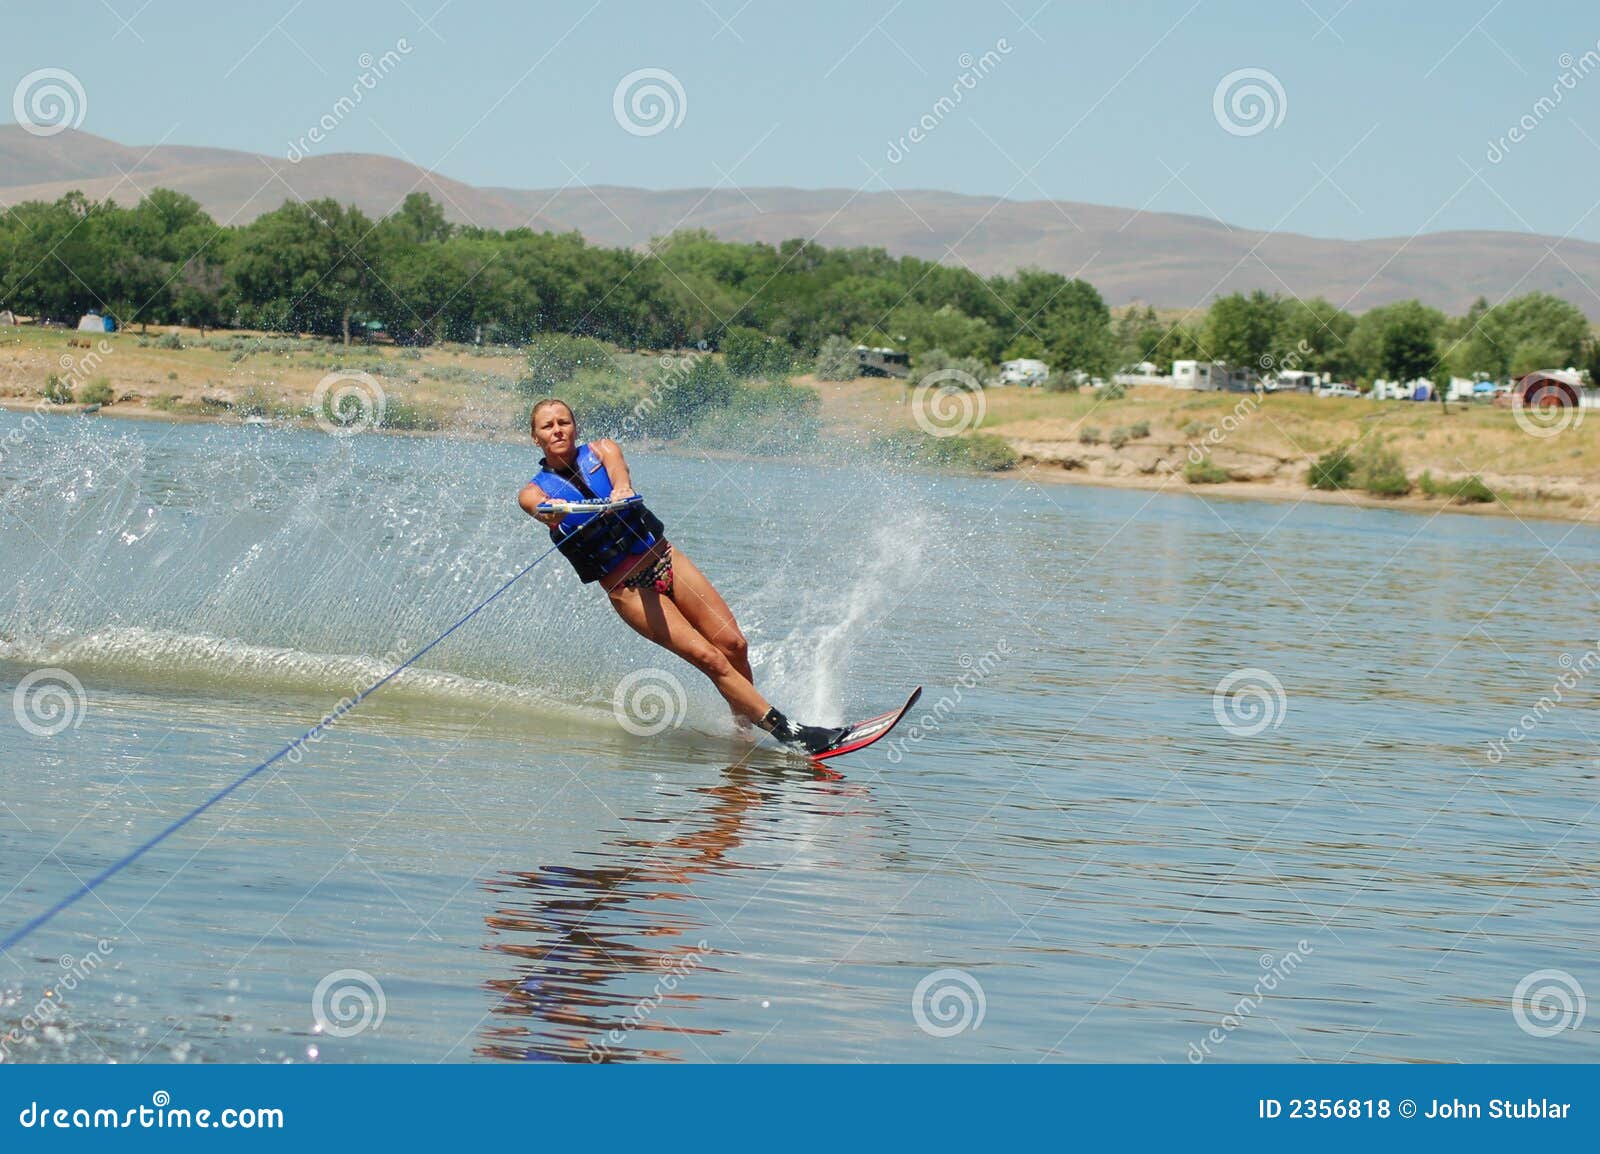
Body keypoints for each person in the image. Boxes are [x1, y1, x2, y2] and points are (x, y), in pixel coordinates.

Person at [517, 398, 846, 754]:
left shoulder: (604, 450)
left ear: (575, 426)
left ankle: (743, 734)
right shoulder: (535, 491)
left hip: (665, 560)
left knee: (734, 645)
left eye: (564, 422)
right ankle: (791, 732)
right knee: (709, 658)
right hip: (628, 590)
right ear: (535, 438)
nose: (557, 430)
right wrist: (549, 514)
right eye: (548, 426)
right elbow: (535, 506)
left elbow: (621, 480)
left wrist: (622, 490)